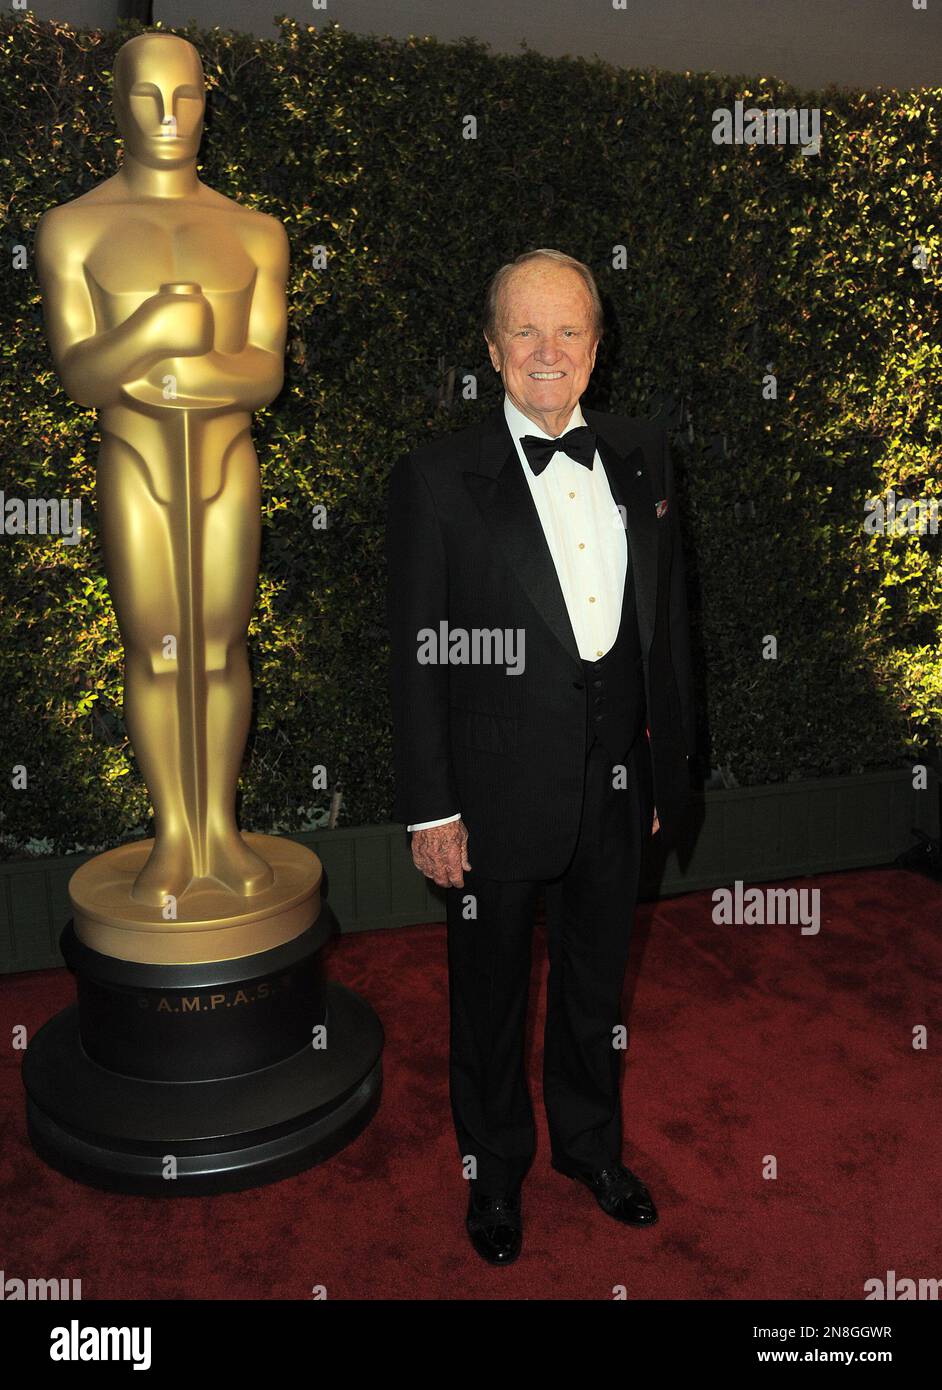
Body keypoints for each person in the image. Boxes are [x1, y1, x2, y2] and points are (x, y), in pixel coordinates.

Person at [386, 249, 694, 1264]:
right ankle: (495, 1175)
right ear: (491, 349)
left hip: (616, 783)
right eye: (525, 331)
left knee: (597, 987)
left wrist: (661, 765)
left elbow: (668, 628)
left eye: (569, 331)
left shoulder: (645, 453)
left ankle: (591, 1148)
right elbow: (421, 653)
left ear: (598, 349)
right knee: (489, 1000)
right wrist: (432, 808)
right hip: (491, 793)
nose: (547, 351)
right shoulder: (438, 479)